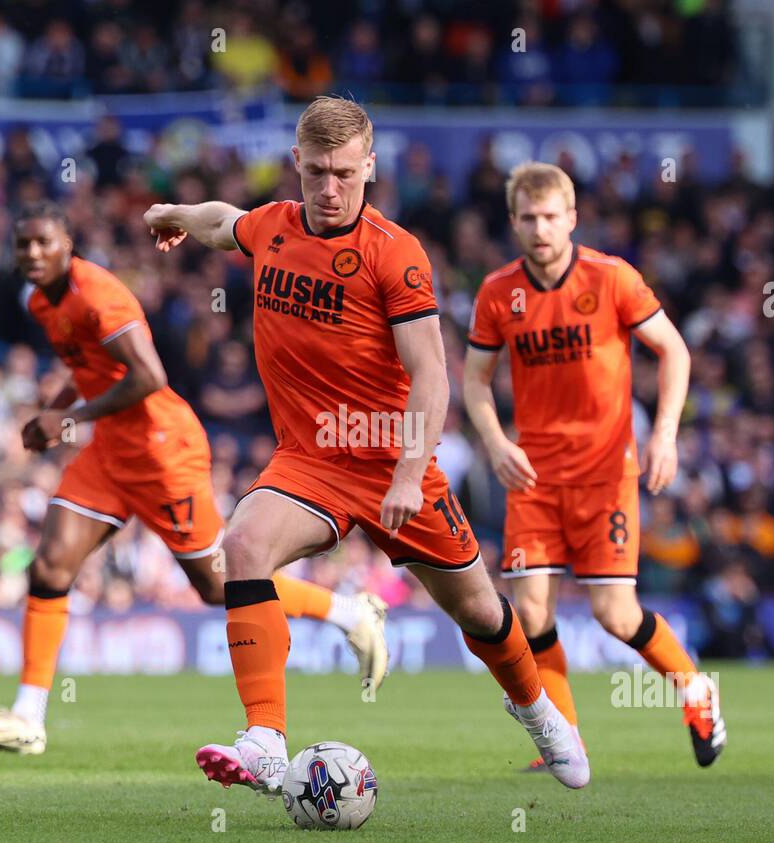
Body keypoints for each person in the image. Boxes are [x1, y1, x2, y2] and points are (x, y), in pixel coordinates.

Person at [143, 96, 590, 793]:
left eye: (345, 174)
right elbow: (222, 222)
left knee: (478, 609)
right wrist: (175, 215)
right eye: (317, 171)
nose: (329, 188)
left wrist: (410, 474)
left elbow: (431, 374)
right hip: (311, 460)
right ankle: (264, 738)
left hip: (391, 460)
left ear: (370, 167)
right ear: (296, 163)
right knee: (244, 547)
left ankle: (539, 713)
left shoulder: (395, 254)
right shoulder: (275, 228)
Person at [0, 202, 387, 756]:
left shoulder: (99, 294)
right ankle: (28, 715)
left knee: (218, 585)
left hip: (163, 450)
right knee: (51, 563)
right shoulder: (44, 301)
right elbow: (87, 366)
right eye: (23, 245)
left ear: (69, 243)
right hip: (112, 451)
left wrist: (66, 420)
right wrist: (57, 407)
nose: (33, 254)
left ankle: (349, 612)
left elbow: (149, 375)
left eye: (44, 242)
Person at [463, 162, 725, 768]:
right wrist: (498, 443)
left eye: (551, 216)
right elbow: (476, 381)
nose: (540, 229)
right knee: (528, 613)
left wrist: (664, 435)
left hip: (607, 474)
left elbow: (675, 351)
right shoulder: (499, 292)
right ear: (513, 222)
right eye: (528, 218)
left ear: (572, 218)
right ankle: (566, 737)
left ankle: (697, 691)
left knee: (614, 614)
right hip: (533, 476)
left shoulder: (612, 279)